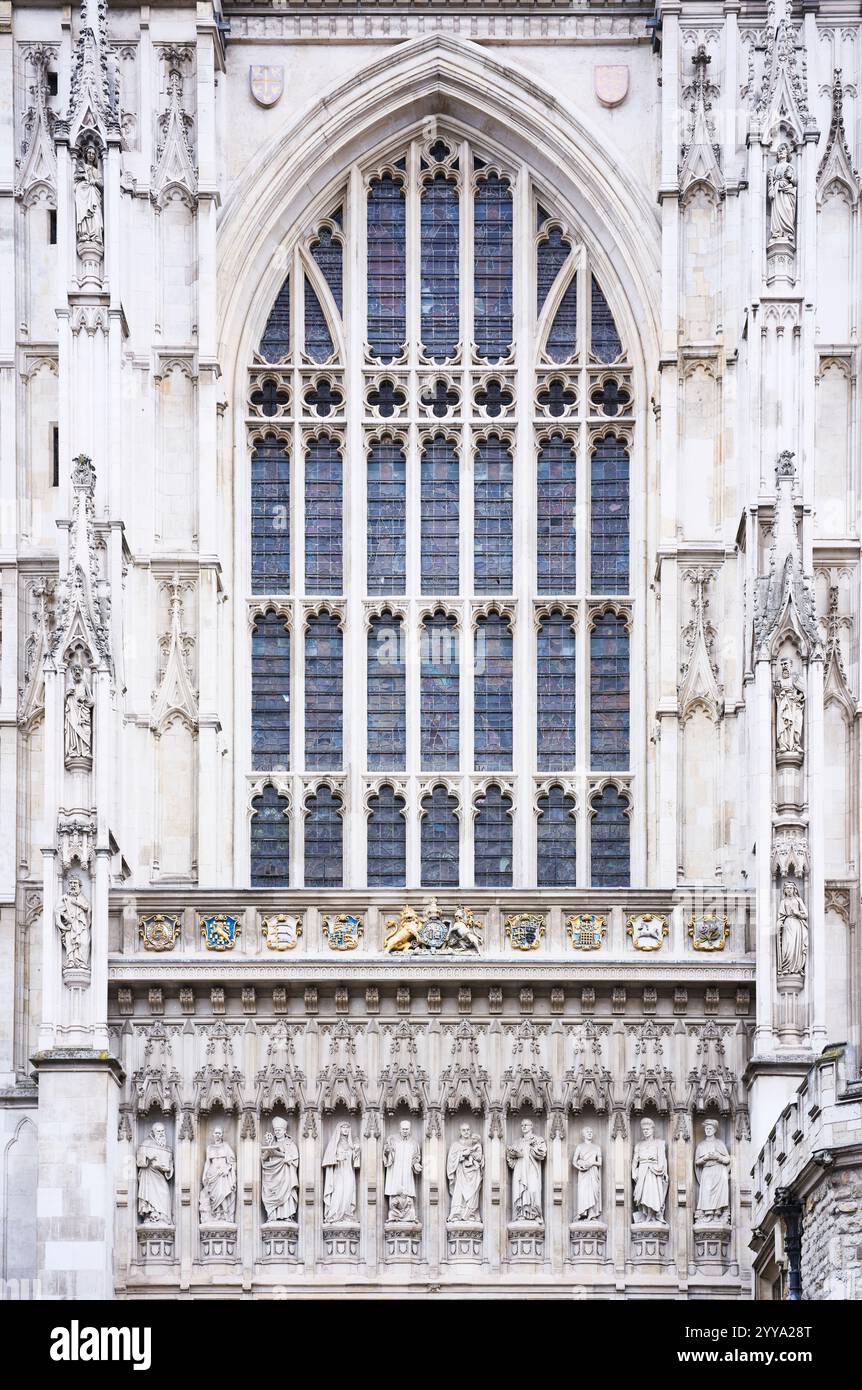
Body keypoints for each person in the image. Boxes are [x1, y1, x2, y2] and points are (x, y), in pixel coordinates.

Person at [506, 1119, 547, 1223]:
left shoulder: (538, 1139)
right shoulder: (517, 1142)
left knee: (533, 1190)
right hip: (519, 1169)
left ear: (531, 1126)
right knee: (520, 1191)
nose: (524, 1127)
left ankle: (535, 1214)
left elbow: (542, 1153)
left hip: (531, 1169)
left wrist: (531, 1148)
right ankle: (521, 1214)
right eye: (522, 1125)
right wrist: (513, 1153)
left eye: (526, 1125)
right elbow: (510, 1159)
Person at [261, 1116, 299, 1222]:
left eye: (279, 1130)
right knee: (272, 1192)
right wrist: (269, 1148)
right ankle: (273, 1215)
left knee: (286, 1193)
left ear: (284, 1131)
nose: (277, 1132)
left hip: (285, 1175)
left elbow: (294, 1159)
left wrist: (280, 1154)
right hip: (272, 1176)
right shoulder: (272, 1144)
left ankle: (287, 1215)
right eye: (275, 1130)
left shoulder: (290, 1144)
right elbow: (263, 1159)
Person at [383, 1119, 422, 1222]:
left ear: (410, 1129)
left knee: (407, 1189)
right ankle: (394, 1213)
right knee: (395, 1189)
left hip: (407, 1172)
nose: (405, 1131)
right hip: (395, 1170)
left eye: (407, 1129)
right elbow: (386, 1154)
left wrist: (416, 1164)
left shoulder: (414, 1142)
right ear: (400, 1129)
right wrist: (387, 1152)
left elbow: (415, 1157)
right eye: (403, 1129)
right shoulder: (392, 1139)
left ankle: (409, 1214)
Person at [322, 1121, 360, 1223]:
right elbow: (328, 1159)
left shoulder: (352, 1144)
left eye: (347, 1127)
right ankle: (334, 1215)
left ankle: (346, 1215)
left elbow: (356, 1162)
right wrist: (338, 1158)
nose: (346, 1129)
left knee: (348, 1193)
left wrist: (357, 1151)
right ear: (339, 1129)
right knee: (338, 1193)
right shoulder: (335, 1143)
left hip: (349, 1172)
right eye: (343, 1127)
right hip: (338, 1172)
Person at [136, 1123, 173, 1225]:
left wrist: (167, 1170)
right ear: (153, 1132)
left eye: (162, 1131)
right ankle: (151, 1216)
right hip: (149, 1176)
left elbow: (170, 1167)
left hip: (160, 1176)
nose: (161, 1134)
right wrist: (148, 1160)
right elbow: (139, 1162)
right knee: (151, 1196)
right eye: (158, 1131)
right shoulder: (146, 1144)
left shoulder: (167, 1148)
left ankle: (163, 1217)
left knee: (164, 1193)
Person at [632, 1117, 668, 1223]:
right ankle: (646, 1214)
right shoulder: (639, 1145)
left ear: (652, 1130)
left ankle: (651, 1216)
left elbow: (662, 1159)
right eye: (644, 1130)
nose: (646, 1131)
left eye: (648, 1129)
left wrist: (663, 1171)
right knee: (642, 1195)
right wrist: (634, 1171)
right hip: (642, 1170)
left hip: (653, 1171)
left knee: (652, 1194)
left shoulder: (659, 1143)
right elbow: (635, 1160)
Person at [694, 1120, 731, 1223]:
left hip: (719, 1170)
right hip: (707, 1171)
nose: (708, 1130)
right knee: (707, 1192)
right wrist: (705, 1158)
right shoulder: (701, 1145)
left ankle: (717, 1213)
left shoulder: (719, 1143)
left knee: (719, 1194)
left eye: (710, 1128)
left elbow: (728, 1159)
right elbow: (697, 1162)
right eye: (706, 1129)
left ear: (714, 1130)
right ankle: (709, 1213)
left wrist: (718, 1157)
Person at [447, 1124, 484, 1223]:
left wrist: (473, 1155)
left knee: (472, 1193)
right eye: (463, 1130)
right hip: (461, 1172)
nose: (466, 1132)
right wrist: (462, 1154)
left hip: (473, 1173)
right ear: (460, 1131)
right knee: (459, 1192)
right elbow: (451, 1160)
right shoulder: (455, 1145)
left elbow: (479, 1157)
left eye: (468, 1130)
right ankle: (457, 1213)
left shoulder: (475, 1144)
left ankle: (470, 1214)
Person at [199, 1127, 237, 1223]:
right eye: (216, 1133)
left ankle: (225, 1214)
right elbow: (207, 1162)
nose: (217, 1135)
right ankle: (217, 1214)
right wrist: (204, 1175)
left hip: (223, 1174)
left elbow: (232, 1161)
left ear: (222, 1135)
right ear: (213, 1134)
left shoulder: (226, 1146)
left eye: (219, 1133)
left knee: (222, 1194)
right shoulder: (209, 1148)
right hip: (212, 1174)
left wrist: (226, 1169)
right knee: (214, 1196)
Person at [572, 1127, 603, 1221]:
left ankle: (592, 1214)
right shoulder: (580, 1147)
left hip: (593, 1172)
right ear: (583, 1135)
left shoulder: (597, 1147)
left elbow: (600, 1163)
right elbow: (574, 1161)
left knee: (593, 1192)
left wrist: (592, 1163)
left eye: (591, 1131)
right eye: (587, 1132)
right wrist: (580, 1167)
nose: (590, 1133)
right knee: (583, 1193)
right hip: (583, 1173)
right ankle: (582, 1213)